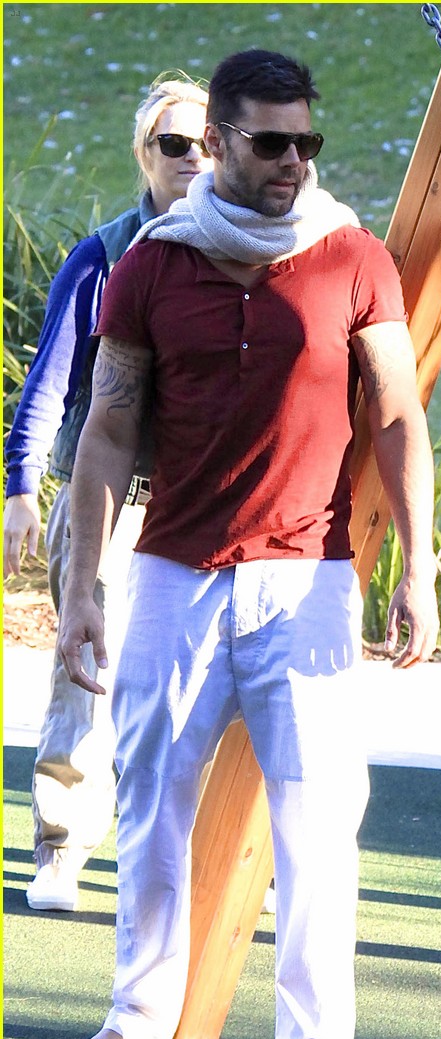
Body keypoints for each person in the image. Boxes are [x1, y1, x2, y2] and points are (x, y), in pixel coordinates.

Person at [47, 49, 439, 1039]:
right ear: (216, 142)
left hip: (309, 582)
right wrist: (81, 589)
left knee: (318, 829)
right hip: (173, 573)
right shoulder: (153, 265)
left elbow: (397, 415)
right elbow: (109, 428)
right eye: (271, 143)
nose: (293, 161)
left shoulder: (353, 255)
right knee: (149, 807)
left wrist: (418, 564)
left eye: (307, 141)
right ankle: (138, 1018)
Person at [4, 73, 212, 913]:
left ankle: (214, 855)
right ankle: (61, 846)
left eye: (206, 142)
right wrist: (21, 486)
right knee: (84, 672)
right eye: (173, 143)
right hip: (106, 498)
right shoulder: (105, 254)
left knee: (209, 683)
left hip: (202, 502)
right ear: (144, 154)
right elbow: (51, 379)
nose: (192, 157)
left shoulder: (239, 249)